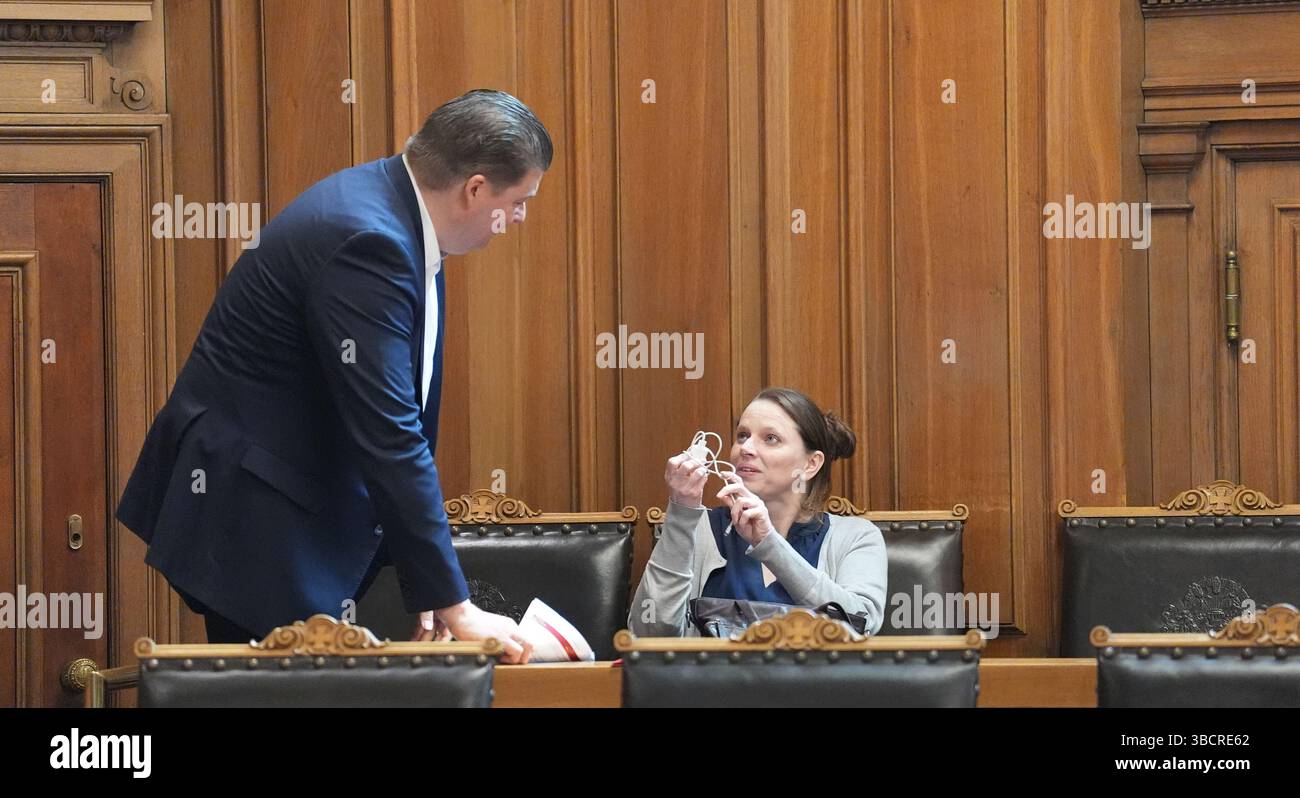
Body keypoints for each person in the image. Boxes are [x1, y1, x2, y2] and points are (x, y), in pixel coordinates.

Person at [116, 90, 549, 662]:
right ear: (475, 189)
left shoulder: (394, 212)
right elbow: (390, 431)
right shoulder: (370, 241)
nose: (519, 219)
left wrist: (423, 576)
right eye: (519, 201)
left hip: (275, 508)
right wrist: (455, 605)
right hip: (253, 520)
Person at [630, 387, 887, 636]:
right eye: (742, 435)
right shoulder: (698, 528)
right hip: (712, 681)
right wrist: (682, 512)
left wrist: (769, 543)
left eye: (770, 439)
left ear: (810, 464)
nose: (746, 448)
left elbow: (859, 624)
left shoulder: (856, 536)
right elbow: (648, 631)